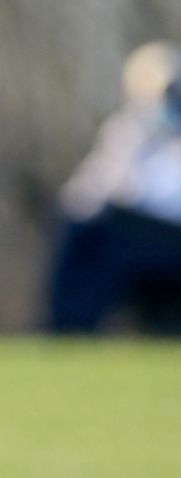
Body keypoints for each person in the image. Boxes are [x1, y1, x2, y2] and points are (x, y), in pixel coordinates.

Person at [49, 41, 181, 334]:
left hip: (167, 239)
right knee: (82, 228)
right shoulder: (127, 130)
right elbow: (87, 192)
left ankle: (69, 326)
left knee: (103, 235)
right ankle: (67, 326)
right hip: (134, 235)